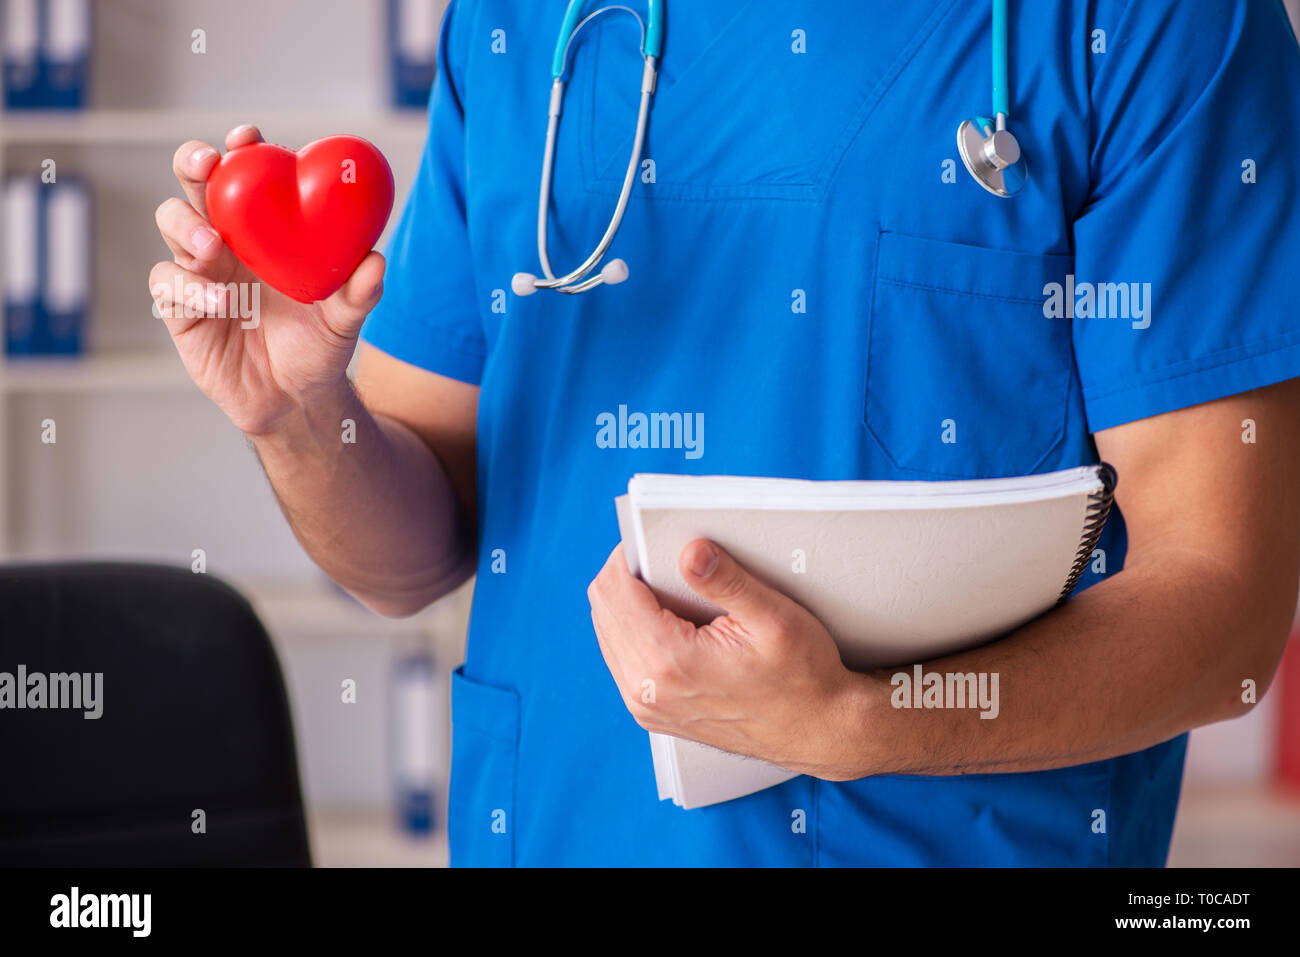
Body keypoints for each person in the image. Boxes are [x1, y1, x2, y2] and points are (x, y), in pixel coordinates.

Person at [149, 0, 1300, 866]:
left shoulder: (1151, 24)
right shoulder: (516, 24)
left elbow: (1226, 612)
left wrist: (868, 722)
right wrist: (300, 417)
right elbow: (407, 561)